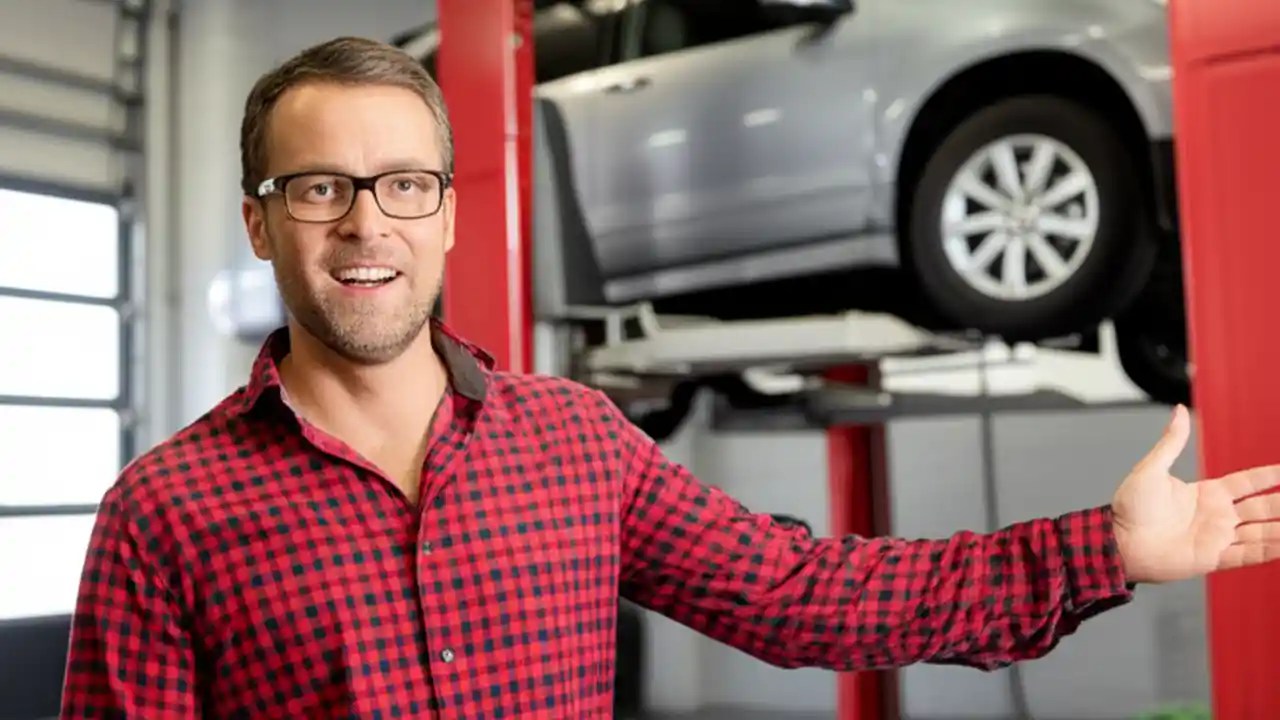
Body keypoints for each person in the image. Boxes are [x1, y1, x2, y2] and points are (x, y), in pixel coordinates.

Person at [58, 36, 1280, 719]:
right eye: (319, 188)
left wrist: (1101, 552)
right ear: (262, 224)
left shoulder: (574, 443)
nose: (364, 223)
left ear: (447, 219)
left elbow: (816, 597)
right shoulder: (166, 515)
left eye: (403, 186)